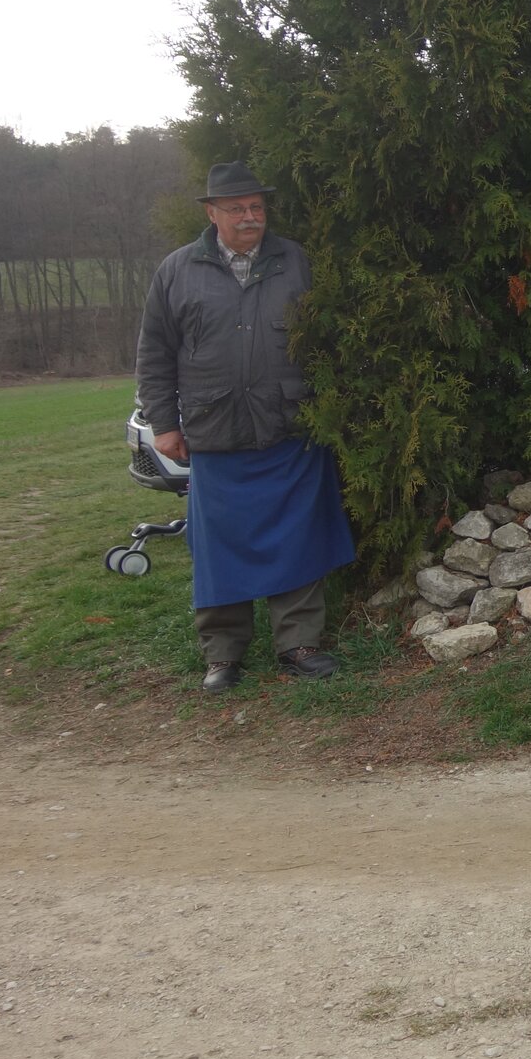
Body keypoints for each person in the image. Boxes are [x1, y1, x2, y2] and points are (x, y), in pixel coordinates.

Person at [134, 161, 355, 693]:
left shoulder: (295, 261)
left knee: (298, 539)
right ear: (212, 213)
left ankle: (299, 645)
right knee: (218, 549)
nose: (250, 216)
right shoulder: (177, 270)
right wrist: (165, 425)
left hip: (289, 427)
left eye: (257, 207)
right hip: (214, 433)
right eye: (236, 208)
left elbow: (327, 340)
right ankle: (223, 655)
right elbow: (154, 354)